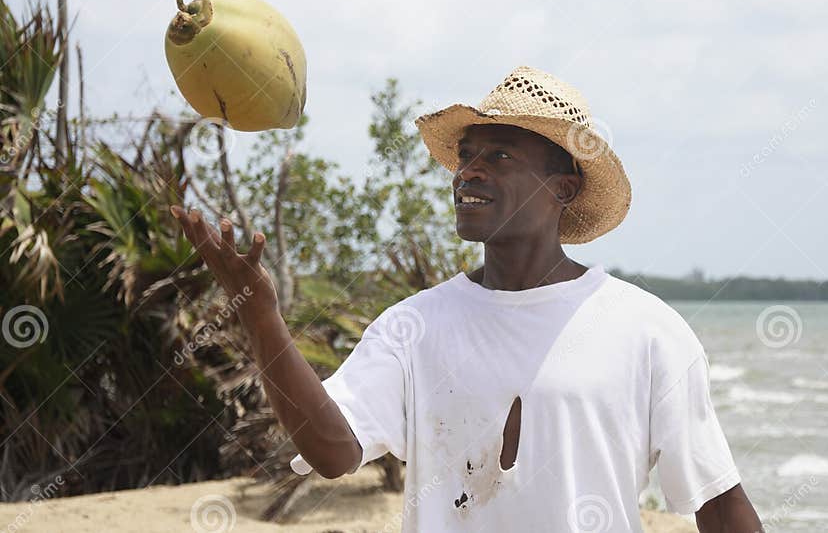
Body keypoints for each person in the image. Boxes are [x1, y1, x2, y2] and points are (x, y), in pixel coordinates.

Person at [170, 65, 763, 532]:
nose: (468, 172)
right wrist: (262, 316)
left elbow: (718, 506)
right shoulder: (415, 326)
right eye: (467, 156)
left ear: (562, 188)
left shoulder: (646, 331)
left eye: (499, 156)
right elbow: (332, 451)